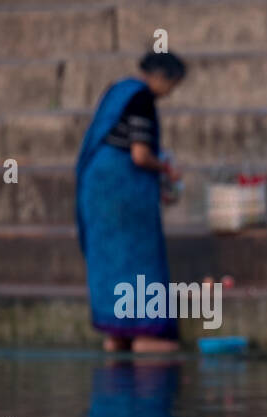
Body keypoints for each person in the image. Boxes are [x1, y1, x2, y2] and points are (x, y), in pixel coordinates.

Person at [75, 51, 187, 353]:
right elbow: (140, 155)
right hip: (122, 190)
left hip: (97, 187)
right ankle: (144, 334)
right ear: (162, 77)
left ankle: (116, 335)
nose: (169, 92)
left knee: (110, 260)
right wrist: (165, 168)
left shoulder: (118, 91)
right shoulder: (141, 99)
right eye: (172, 84)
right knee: (138, 258)